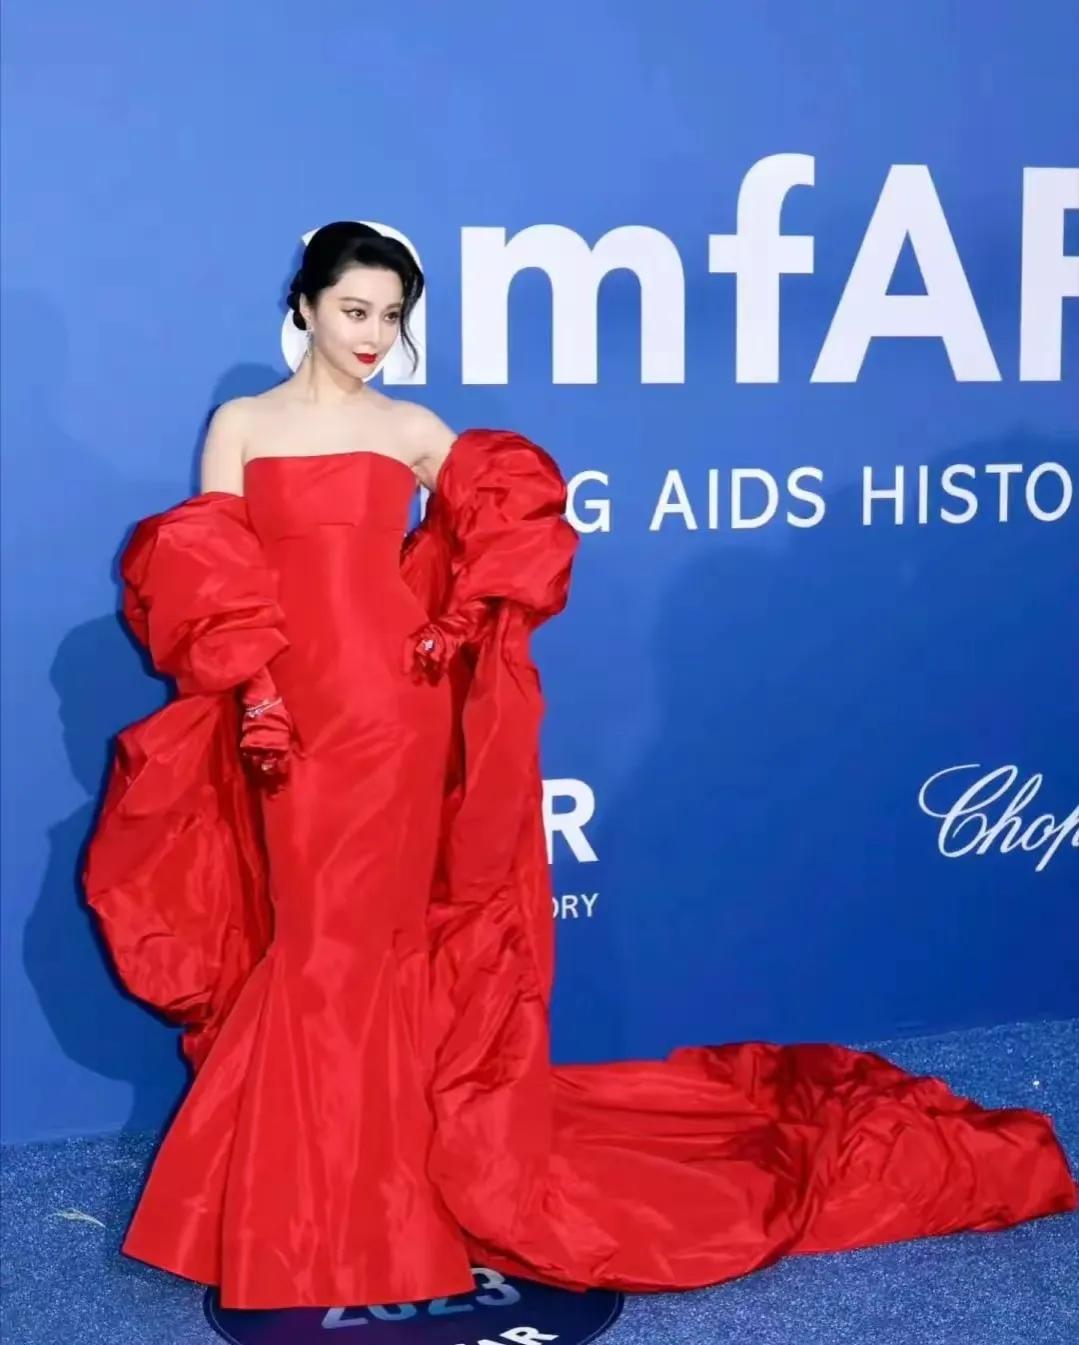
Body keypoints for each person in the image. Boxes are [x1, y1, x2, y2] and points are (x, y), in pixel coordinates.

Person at [85, 221, 1078, 1312]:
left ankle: (341, 1215)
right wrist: (257, 688)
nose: (372, 334)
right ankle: (319, 1196)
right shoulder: (240, 423)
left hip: (394, 714)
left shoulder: (410, 427)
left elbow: (517, 504)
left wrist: (457, 613)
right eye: (354, 309)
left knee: (355, 946)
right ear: (307, 306)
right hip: (284, 719)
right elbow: (205, 562)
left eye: (390, 315)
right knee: (317, 942)